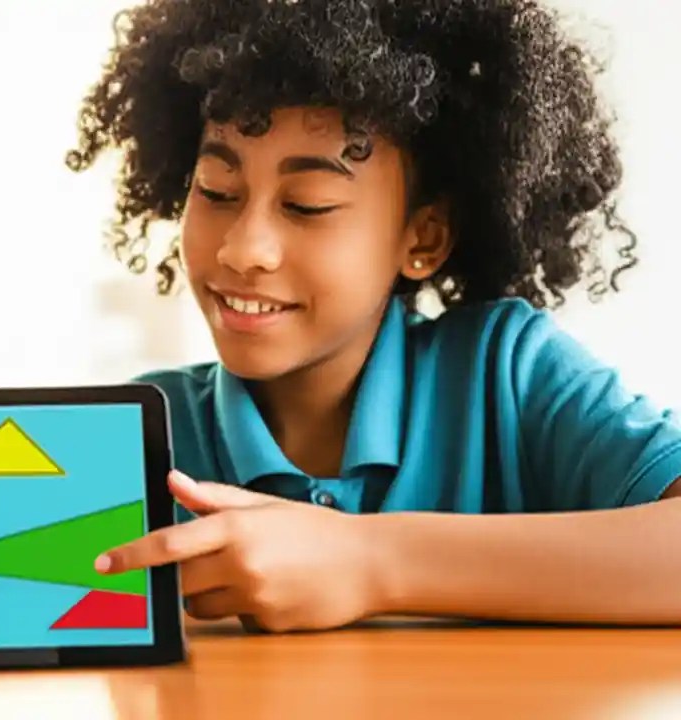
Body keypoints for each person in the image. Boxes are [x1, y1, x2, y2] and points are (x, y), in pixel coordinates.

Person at [70, 0, 681, 632]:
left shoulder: (505, 375)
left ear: (424, 238)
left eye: (308, 204)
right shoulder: (139, 434)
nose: (243, 249)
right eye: (217, 191)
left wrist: (368, 562)